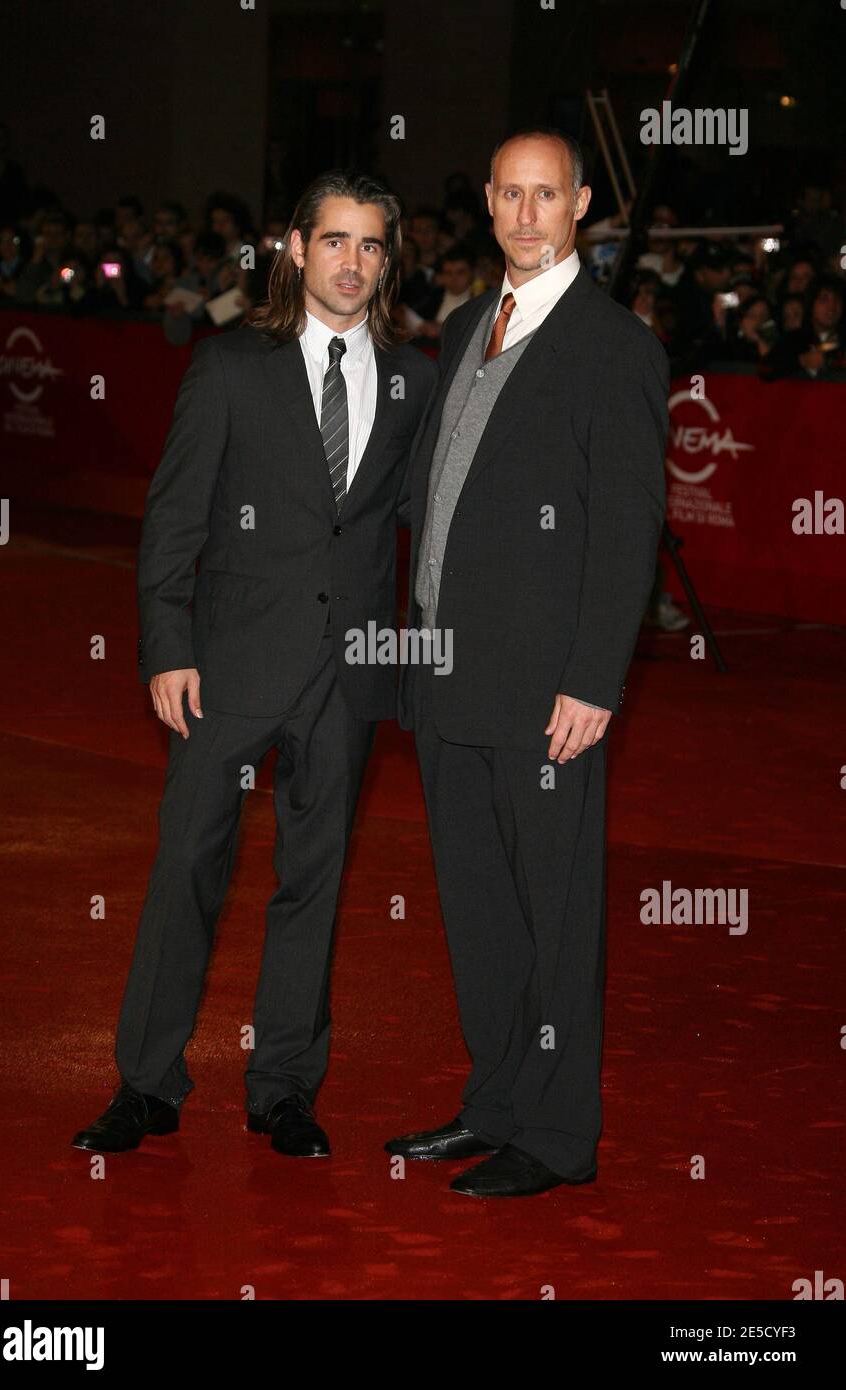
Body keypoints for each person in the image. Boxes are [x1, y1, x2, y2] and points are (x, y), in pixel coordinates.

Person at [72, 170, 437, 1158]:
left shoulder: (413, 378)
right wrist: (167, 647)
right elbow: (173, 518)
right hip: (225, 669)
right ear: (294, 247)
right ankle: (146, 1082)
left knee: (312, 884)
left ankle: (283, 1087)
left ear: (386, 258)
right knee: (186, 868)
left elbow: (424, 526)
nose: (352, 263)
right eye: (334, 241)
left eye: (369, 245)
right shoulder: (230, 366)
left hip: (348, 676)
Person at [389, 128, 668, 1198]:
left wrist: (594, 678)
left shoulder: (612, 345)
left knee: (553, 916)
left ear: (580, 203)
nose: (520, 213)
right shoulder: (466, 324)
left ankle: (557, 1136)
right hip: (446, 674)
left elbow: (627, 527)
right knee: (477, 907)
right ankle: (496, 1101)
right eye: (506, 193)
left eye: (542, 195)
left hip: (548, 688)